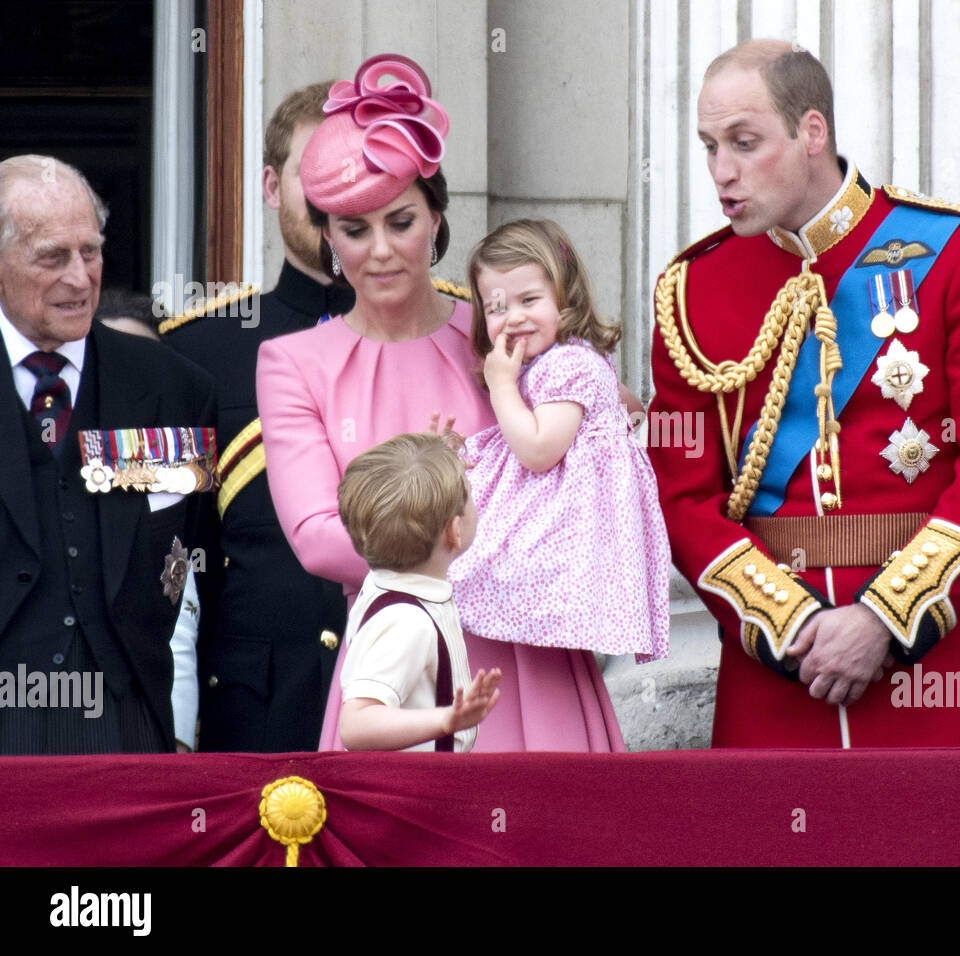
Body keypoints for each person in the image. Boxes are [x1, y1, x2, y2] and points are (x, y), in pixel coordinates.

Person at [648, 40, 960, 748]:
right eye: (710, 147)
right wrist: (788, 623)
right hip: (777, 669)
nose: (721, 171)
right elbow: (679, 496)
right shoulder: (693, 289)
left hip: (930, 656)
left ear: (812, 131)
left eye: (744, 143)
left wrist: (884, 619)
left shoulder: (956, 253)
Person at [255, 53, 625, 752]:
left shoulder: (507, 340)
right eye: (354, 230)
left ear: (436, 217)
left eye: (401, 221)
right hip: (395, 667)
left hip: (531, 660)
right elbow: (316, 537)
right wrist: (479, 527)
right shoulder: (292, 362)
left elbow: (589, 483)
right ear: (329, 239)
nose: (382, 251)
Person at [0, 155, 217, 754]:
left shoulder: (177, 388)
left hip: (125, 728)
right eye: (52, 257)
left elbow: (193, 560)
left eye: (89, 252)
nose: (79, 277)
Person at [162, 81, 352, 753]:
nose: (341, 195)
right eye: (318, 173)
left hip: (418, 705)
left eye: (361, 172)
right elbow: (152, 553)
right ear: (271, 186)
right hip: (256, 720)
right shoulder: (191, 350)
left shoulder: (454, 328)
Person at [449, 219, 670, 663]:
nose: (513, 317)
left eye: (530, 300)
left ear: (564, 297)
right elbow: (629, 406)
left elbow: (536, 451)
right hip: (564, 523)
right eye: (496, 307)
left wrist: (501, 387)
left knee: (469, 569)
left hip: (559, 534)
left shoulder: (566, 365)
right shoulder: (578, 359)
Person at [337, 431, 501, 751]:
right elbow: (355, 724)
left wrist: (435, 459)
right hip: (411, 794)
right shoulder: (409, 622)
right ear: (454, 531)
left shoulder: (384, 577)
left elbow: (394, 503)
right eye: (469, 494)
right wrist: (445, 720)